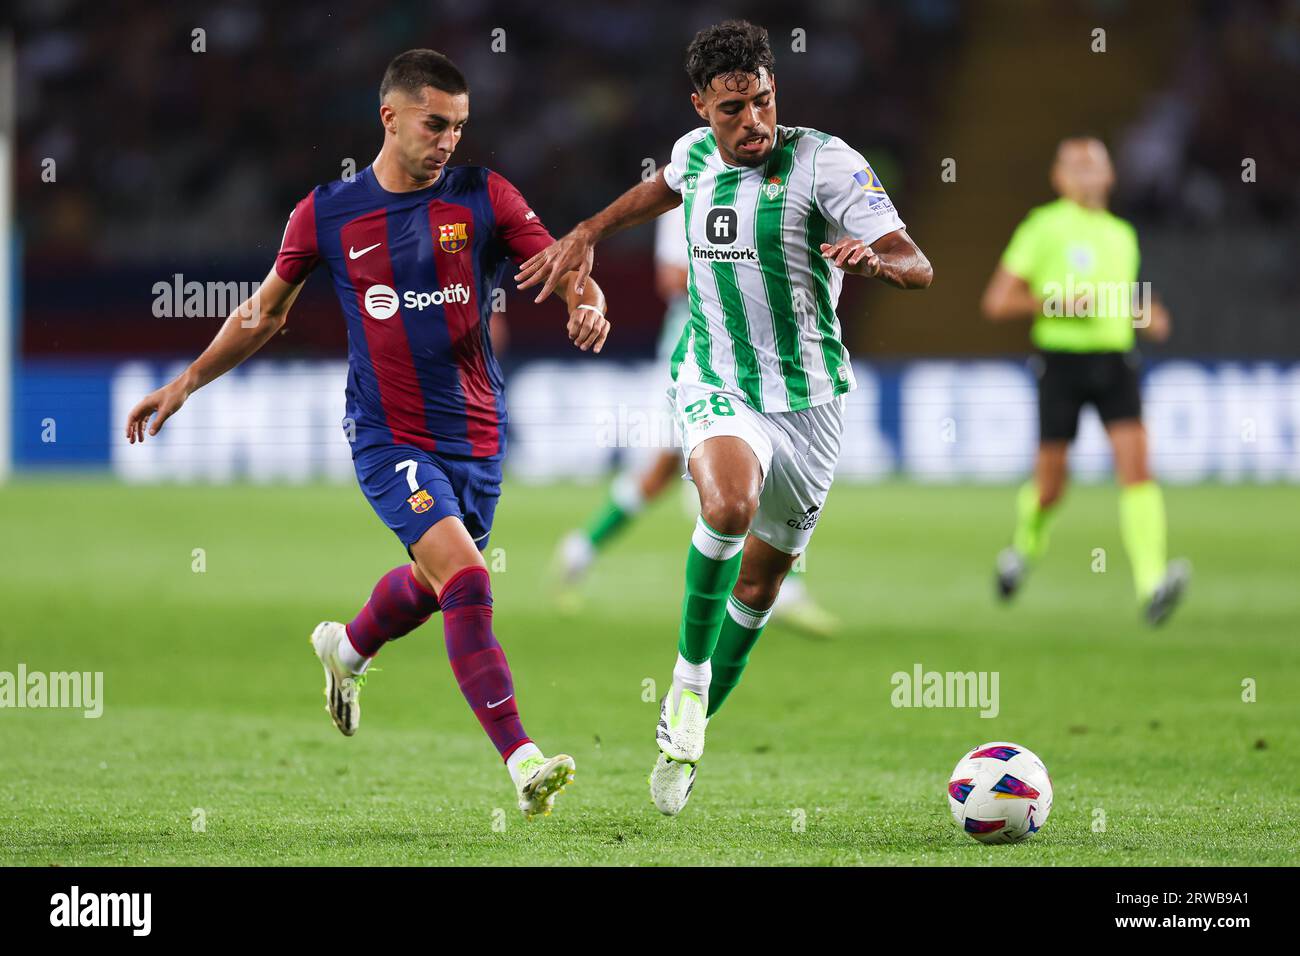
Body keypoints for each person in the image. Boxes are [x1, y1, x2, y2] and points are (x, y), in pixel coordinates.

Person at [124, 49, 610, 819]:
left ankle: (346, 649)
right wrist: (185, 381)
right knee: (470, 581)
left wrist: (589, 299)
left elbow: (561, 263)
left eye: (459, 126)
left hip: (479, 436)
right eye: (435, 124)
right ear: (391, 117)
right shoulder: (326, 213)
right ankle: (522, 760)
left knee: (433, 583)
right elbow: (264, 314)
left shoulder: (483, 196)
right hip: (387, 437)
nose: (449, 140)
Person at [517, 20, 932, 815]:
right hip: (716, 377)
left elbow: (918, 262)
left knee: (761, 587)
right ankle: (689, 678)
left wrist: (877, 261)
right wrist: (590, 231)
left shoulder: (827, 163)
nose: (754, 124)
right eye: (734, 108)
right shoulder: (696, 152)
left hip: (811, 402)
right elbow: (662, 187)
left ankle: (689, 732)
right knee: (727, 504)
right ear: (702, 106)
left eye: (764, 102)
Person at [555, 210, 840, 637]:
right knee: (719, 476)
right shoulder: (690, 192)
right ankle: (784, 590)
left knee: (668, 472)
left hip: (752, 360)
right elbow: (670, 279)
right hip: (697, 356)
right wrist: (745, 270)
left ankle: (580, 550)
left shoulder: (771, 196)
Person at [982, 137, 1190, 626]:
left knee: (1137, 468)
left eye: (1094, 164)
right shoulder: (1043, 227)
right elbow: (998, 301)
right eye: (1075, 166)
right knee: (1052, 487)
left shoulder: (1122, 234)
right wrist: (1056, 305)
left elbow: (1128, 301)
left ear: (1110, 175)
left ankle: (1151, 583)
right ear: (1059, 178)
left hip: (1116, 361)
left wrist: (1149, 315)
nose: (1085, 173)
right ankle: (1021, 551)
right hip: (1063, 364)